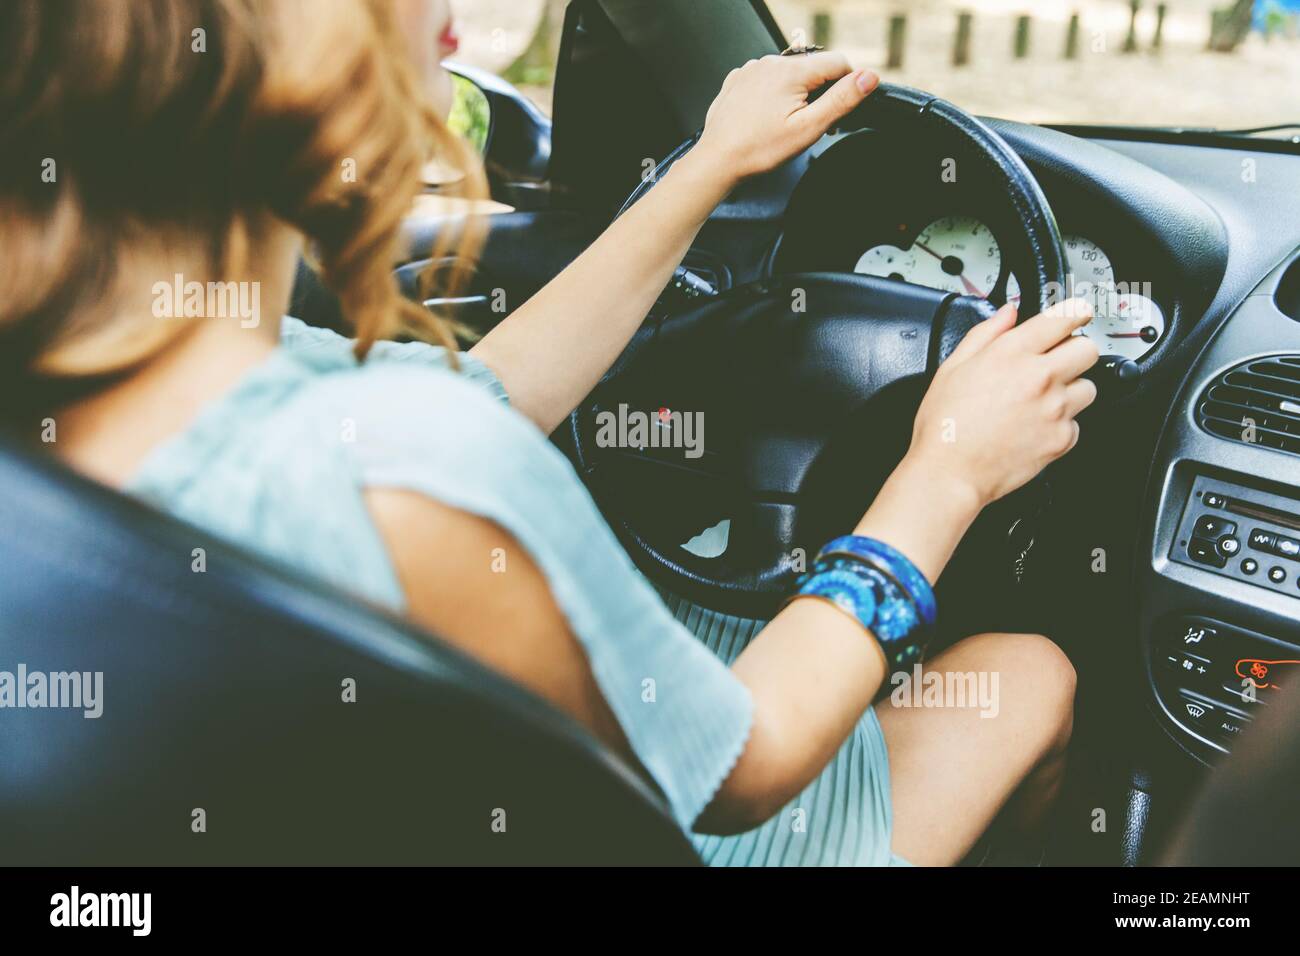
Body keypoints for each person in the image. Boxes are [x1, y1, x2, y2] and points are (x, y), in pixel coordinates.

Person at [0, 0, 1097, 865]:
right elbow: (749, 763)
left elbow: (480, 396)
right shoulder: (411, 468)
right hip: (711, 818)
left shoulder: (172, 379)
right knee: (1028, 670)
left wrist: (702, 168)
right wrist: (947, 468)